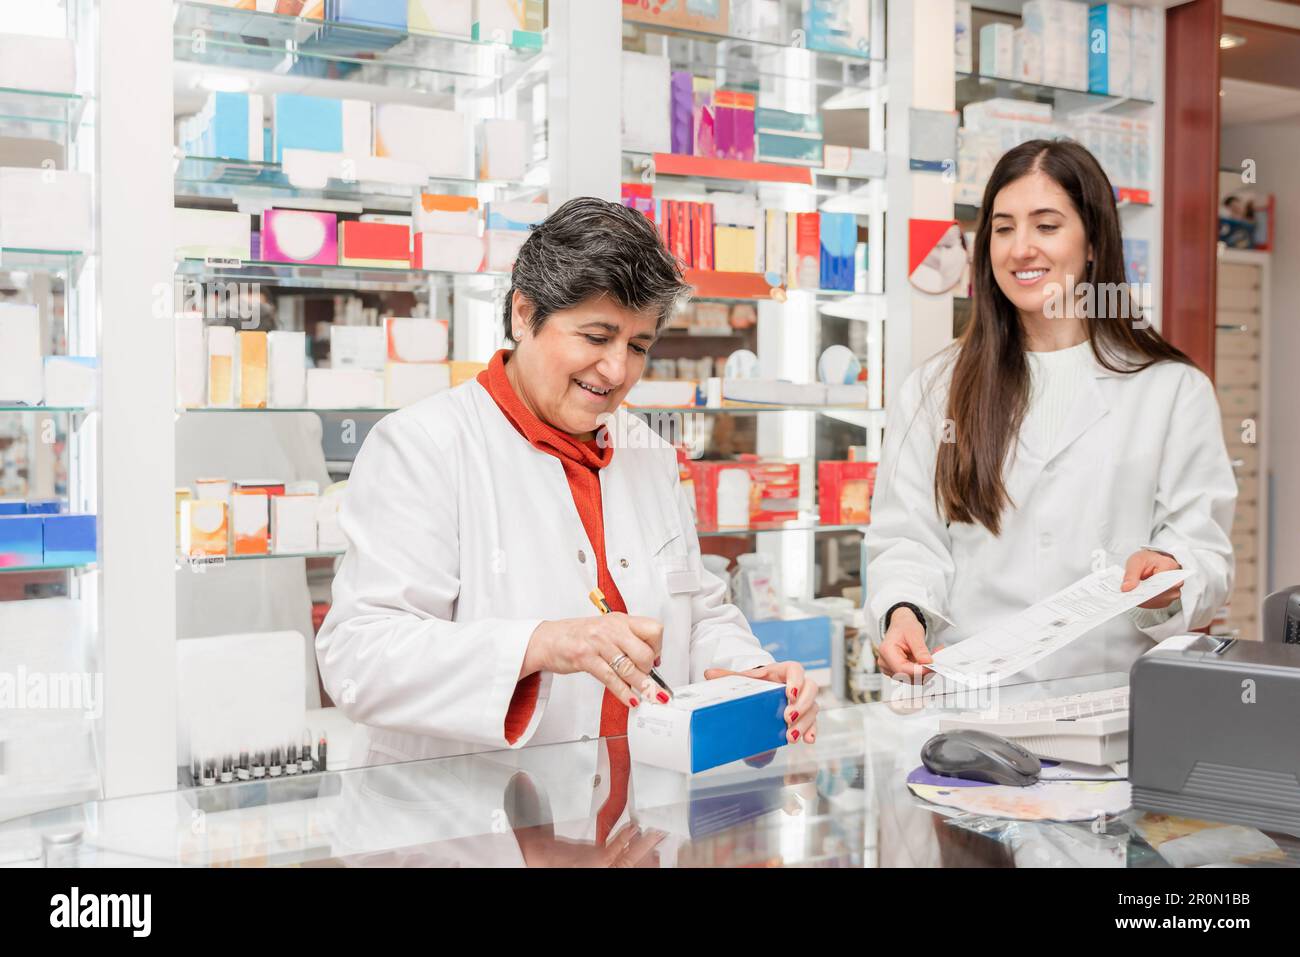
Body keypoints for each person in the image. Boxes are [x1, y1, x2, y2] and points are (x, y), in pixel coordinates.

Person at [317, 197, 818, 770]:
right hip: (471, 820)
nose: (617, 371)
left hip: (633, 819)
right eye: (596, 336)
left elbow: (696, 614)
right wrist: (540, 645)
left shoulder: (648, 455)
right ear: (524, 314)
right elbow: (358, 658)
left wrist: (751, 677)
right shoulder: (423, 446)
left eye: (637, 345)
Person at [866, 139, 1236, 683]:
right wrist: (904, 611)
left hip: (1110, 704)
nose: (1021, 249)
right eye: (1004, 227)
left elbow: (1202, 547)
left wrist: (1173, 575)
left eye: (1046, 225)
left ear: (1092, 242)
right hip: (970, 704)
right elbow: (907, 537)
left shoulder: (1172, 389)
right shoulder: (935, 387)